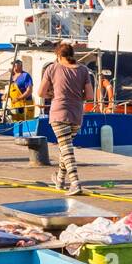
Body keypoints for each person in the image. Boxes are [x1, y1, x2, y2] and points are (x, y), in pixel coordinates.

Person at [39, 42, 92, 195]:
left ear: (59, 55)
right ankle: (60, 180)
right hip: (76, 114)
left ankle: (75, 182)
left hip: (59, 113)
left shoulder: (52, 68)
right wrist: (76, 97)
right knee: (65, 148)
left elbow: (41, 92)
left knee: (66, 149)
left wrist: (53, 95)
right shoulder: (83, 70)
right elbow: (89, 96)